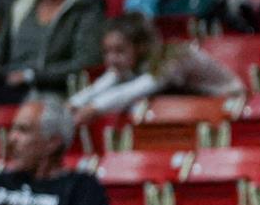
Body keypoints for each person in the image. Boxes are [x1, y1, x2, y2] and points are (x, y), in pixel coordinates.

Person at [69, 13, 242, 127]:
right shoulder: (129, 64)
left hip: (230, 102)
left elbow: (135, 89)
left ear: (141, 47)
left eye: (119, 51)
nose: (111, 59)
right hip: (196, 104)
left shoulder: (173, 58)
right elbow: (102, 84)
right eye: (107, 52)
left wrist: (94, 108)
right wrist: (72, 105)